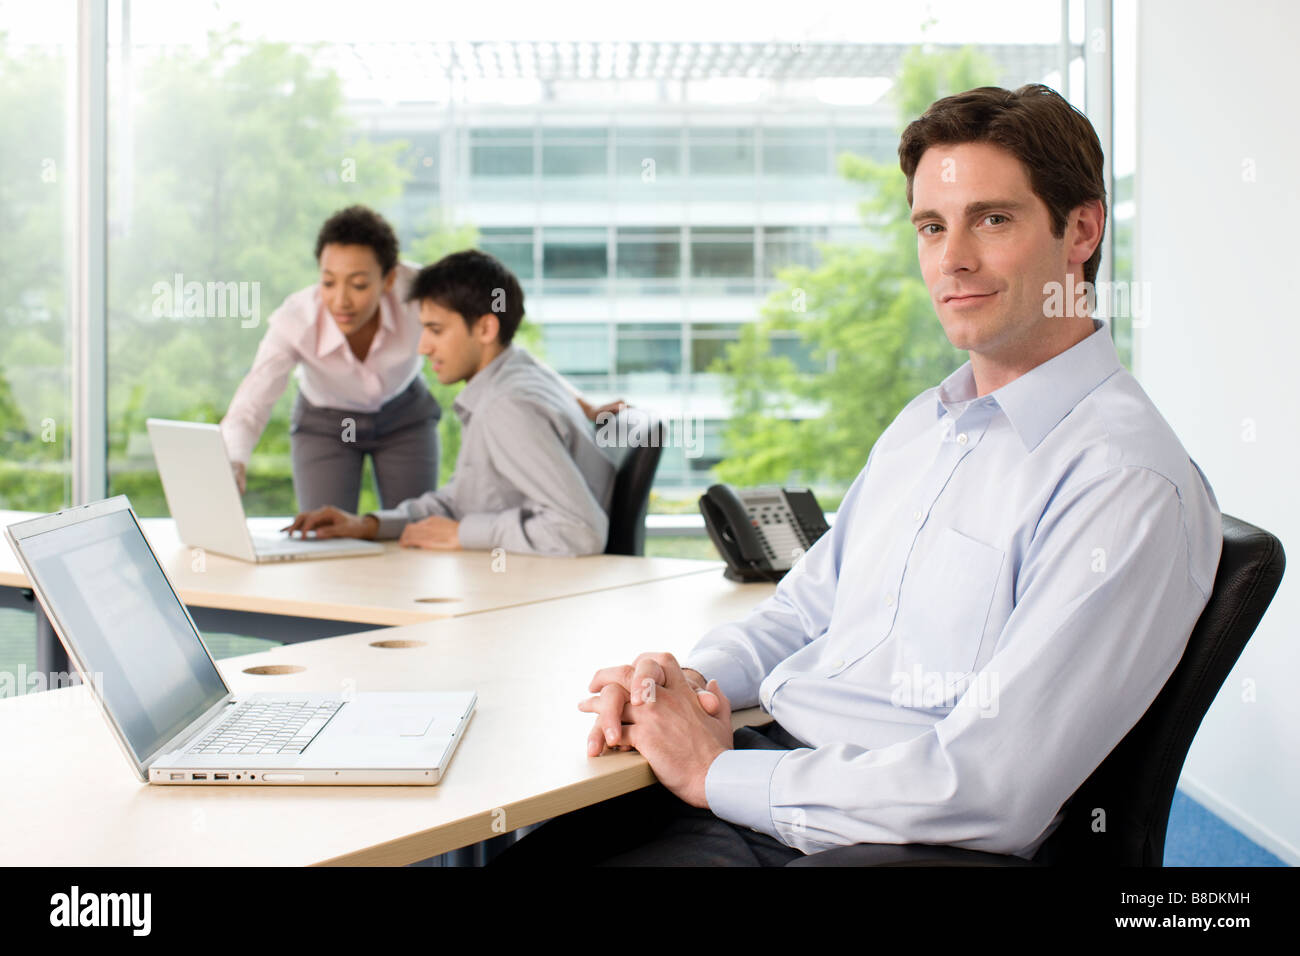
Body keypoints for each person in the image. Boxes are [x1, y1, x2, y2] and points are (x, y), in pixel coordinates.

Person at [492, 84, 1223, 865]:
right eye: (932, 226)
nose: (953, 259)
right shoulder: (926, 425)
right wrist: (684, 685)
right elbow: (803, 613)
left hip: (861, 834)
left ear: (1080, 230)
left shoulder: (1123, 480)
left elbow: (988, 788)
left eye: (994, 219)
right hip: (771, 772)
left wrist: (715, 772)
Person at [220, 205, 615, 513]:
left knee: (416, 531)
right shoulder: (296, 320)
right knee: (325, 531)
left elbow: (499, 347)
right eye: (328, 282)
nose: (340, 300)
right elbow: (252, 402)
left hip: (403, 417)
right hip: (326, 424)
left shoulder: (421, 291)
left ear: (389, 279)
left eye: (358, 284)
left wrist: (582, 404)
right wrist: (234, 459)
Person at [284, 250, 617, 557]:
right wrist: (369, 525)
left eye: (435, 329)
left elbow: (581, 531)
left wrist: (463, 534)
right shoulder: (509, 380)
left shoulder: (508, 406)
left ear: (486, 327)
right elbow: (463, 501)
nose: (423, 348)